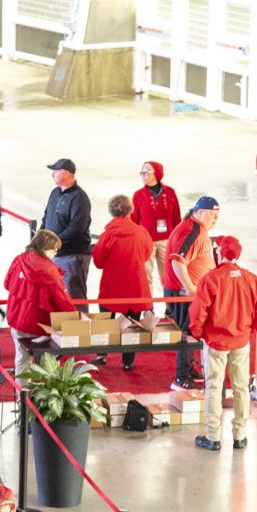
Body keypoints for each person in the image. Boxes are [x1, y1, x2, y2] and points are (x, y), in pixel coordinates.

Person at [191, 236, 257, 453]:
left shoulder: (211, 279)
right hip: (240, 342)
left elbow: (198, 314)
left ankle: (213, 436)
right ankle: (240, 435)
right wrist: (249, 330)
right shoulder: (251, 279)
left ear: (219, 253)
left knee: (214, 387)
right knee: (241, 388)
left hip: (216, 343)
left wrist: (199, 334)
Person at [90, 194, 154, 370]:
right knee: (132, 323)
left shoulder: (107, 235)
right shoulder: (141, 233)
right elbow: (147, 254)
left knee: (106, 320)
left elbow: (98, 262)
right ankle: (128, 361)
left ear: (111, 212)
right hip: (135, 285)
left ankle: (101, 355)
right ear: (131, 210)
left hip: (112, 285)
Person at [162, 195, 219, 388]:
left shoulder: (193, 228)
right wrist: (191, 290)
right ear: (200, 212)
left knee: (190, 331)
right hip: (182, 294)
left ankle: (187, 369)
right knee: (186, 333)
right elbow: (177, 260)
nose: (215, 219)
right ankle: (181, 377)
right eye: (212, 215)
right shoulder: (193, 231)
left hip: (181, 291)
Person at [5, 230, 76, 376]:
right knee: (48, 363)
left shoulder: (19, 260)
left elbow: (7, 283)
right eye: (55, 250)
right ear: (45, 248)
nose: (55, 253)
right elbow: (62, 300)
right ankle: (43, 395)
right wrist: (75, 316)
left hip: (16, 319)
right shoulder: (49, 270)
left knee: (21, 359)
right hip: (39, 326)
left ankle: (22, 396)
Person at [42, 158, 92, 300]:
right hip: (55, 254)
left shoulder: (80, 198)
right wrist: (40, 238)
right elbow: (46, 217)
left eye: (55, 171)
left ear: (66, 174)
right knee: (57, 296)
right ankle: (62, 322)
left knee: (73, 294)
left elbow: (76, 227)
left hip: (72, 256)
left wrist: (53, 242)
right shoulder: (54, 193)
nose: (52, 175)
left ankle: (80, 322)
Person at [131, 162, 181, 292]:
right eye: (141, 172)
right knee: (145, 276)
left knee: (168, 276)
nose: (143, 174)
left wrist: (176, 240)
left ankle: (169, 308)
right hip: (146, 241)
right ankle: (149, 308)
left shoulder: (170, 192)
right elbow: (133, 220)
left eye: (147, 171)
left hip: (167, 240)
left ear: (157, 174)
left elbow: (176, 217)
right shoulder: (138, 195)